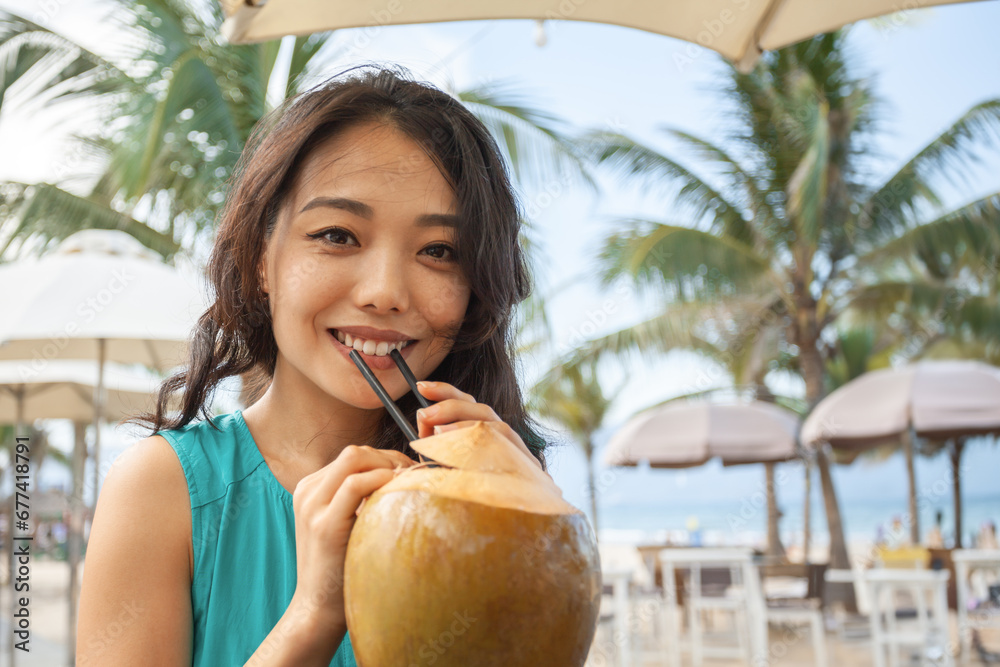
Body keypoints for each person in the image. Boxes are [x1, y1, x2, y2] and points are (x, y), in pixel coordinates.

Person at [76, 65, 550, 666]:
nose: (385, 292)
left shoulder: (502, 492)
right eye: (337, 235)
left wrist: (540, 545)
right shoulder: (163, 492)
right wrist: (314, 614)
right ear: (261, 261)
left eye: (438, 251)